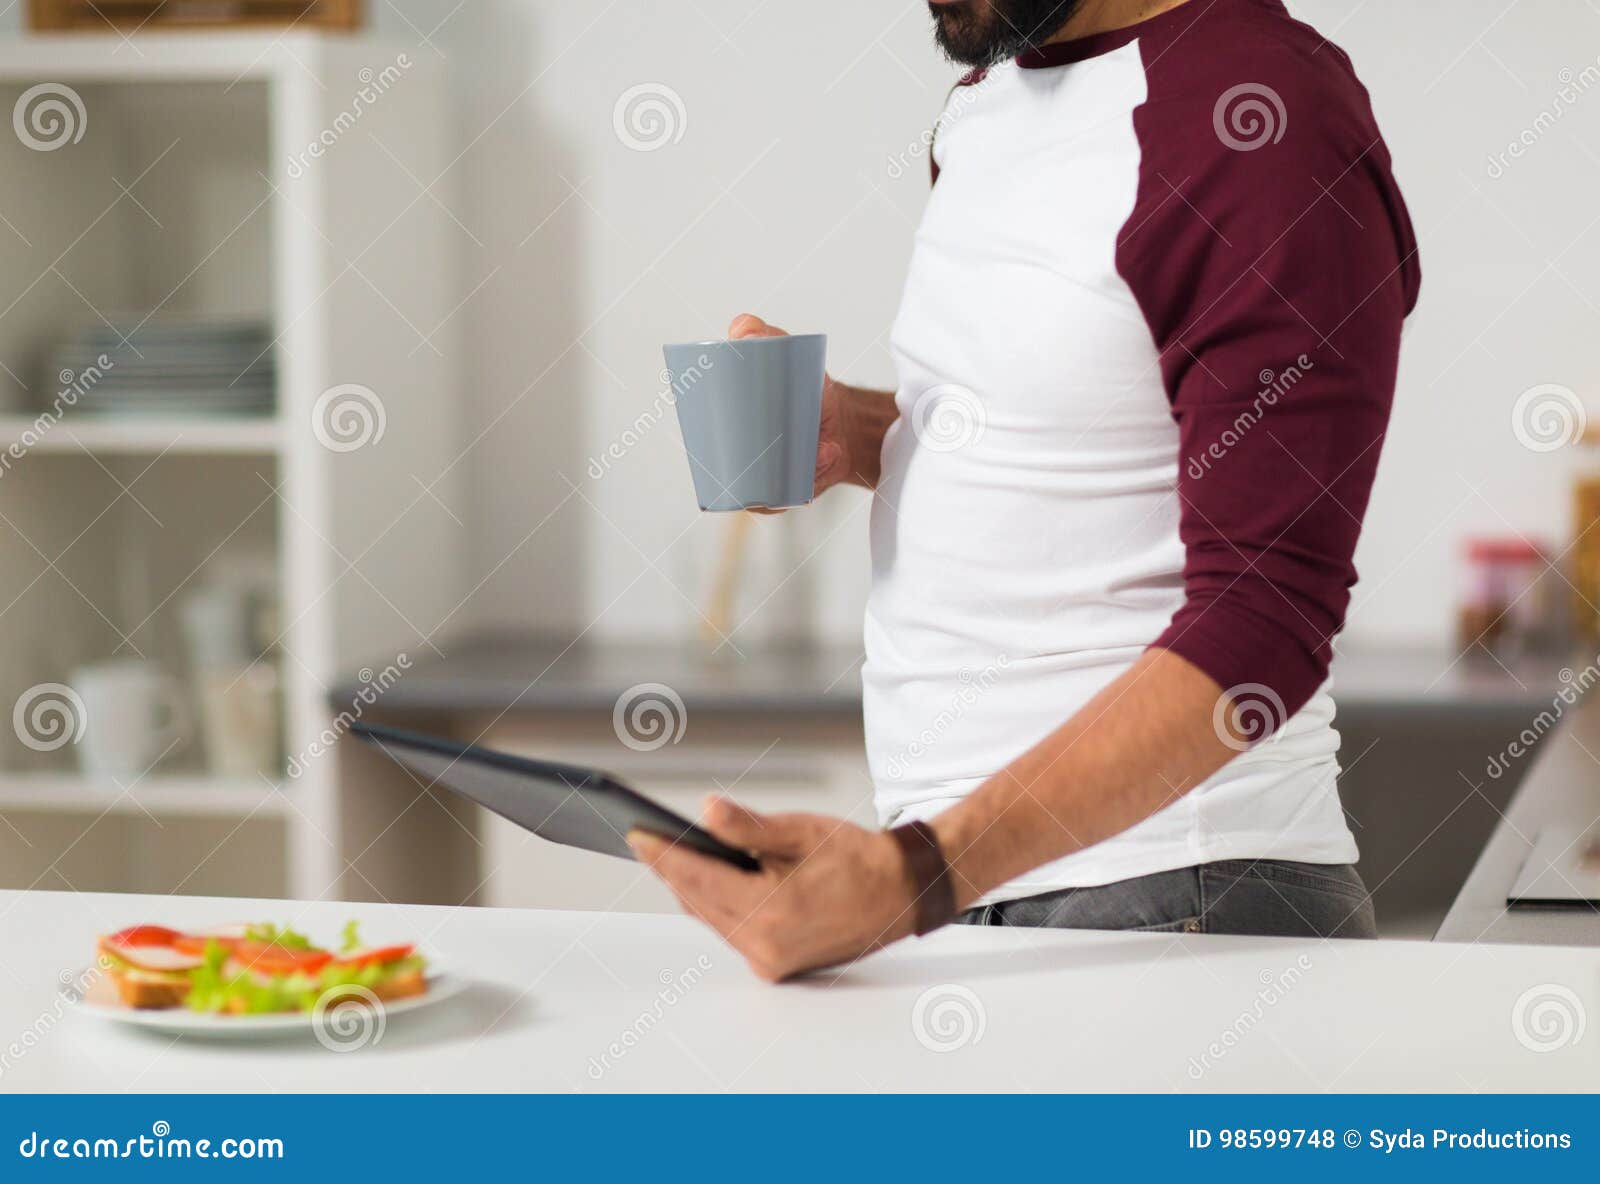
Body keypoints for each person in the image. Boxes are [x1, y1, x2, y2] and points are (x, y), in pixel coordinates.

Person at [630, 0, 1421, 981]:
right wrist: (858, 431)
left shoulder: (1261, 113)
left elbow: (1268, 613)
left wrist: (917, 873)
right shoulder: (983, 110)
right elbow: (1057, 434)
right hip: (971, 880)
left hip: (1179, 898)